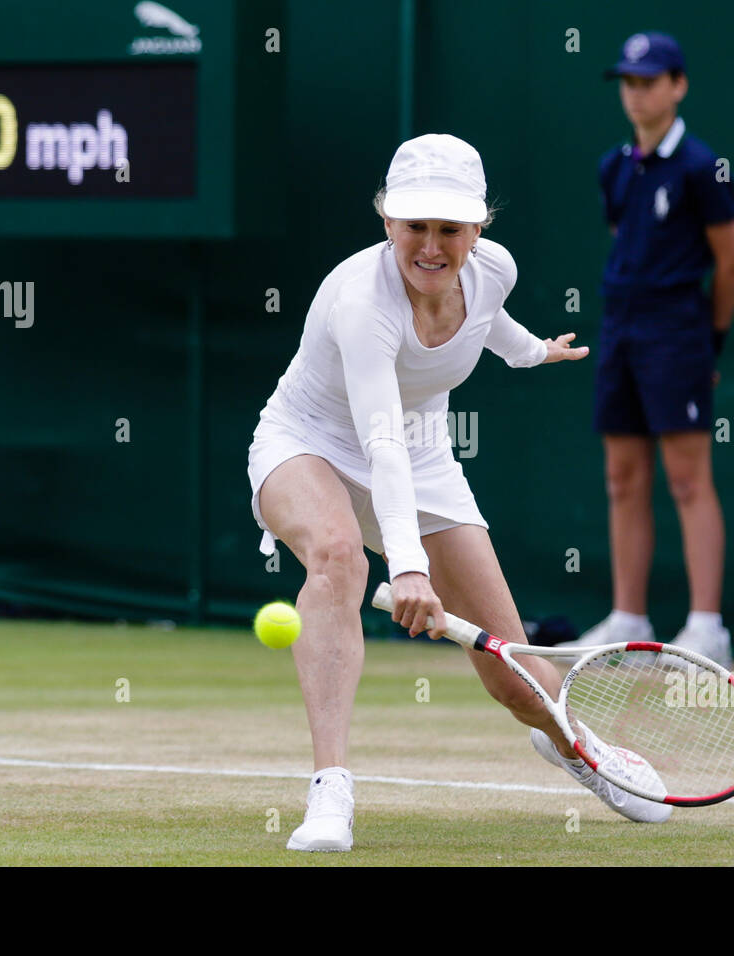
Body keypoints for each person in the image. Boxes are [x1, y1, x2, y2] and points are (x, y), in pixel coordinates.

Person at [247, 134, 673, 853]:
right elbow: (377, 440)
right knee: (339, 556)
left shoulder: (494, 270)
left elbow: (487, 323)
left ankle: (575, 745)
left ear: (480, 229)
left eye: (452, 228)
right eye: (416, 225)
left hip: (424, 458)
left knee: (516, 673)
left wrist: (534, 350)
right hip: (307, 442)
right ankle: (331, 788)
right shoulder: (362, 302)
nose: (433, 246)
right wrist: (407, 565)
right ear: (387, 221)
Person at [567, 32, 734, 667]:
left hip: (678, 332)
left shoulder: (702, 167)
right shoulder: (613, 167)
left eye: (649, 80)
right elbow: (629, 239)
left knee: (688, 479)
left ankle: (706, 627)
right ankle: (629, 620)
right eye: (628, 82)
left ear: (679, 85)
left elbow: (731, 265)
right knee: (622, 477)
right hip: (620, 327)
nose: (636, 92)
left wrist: (709, 342)